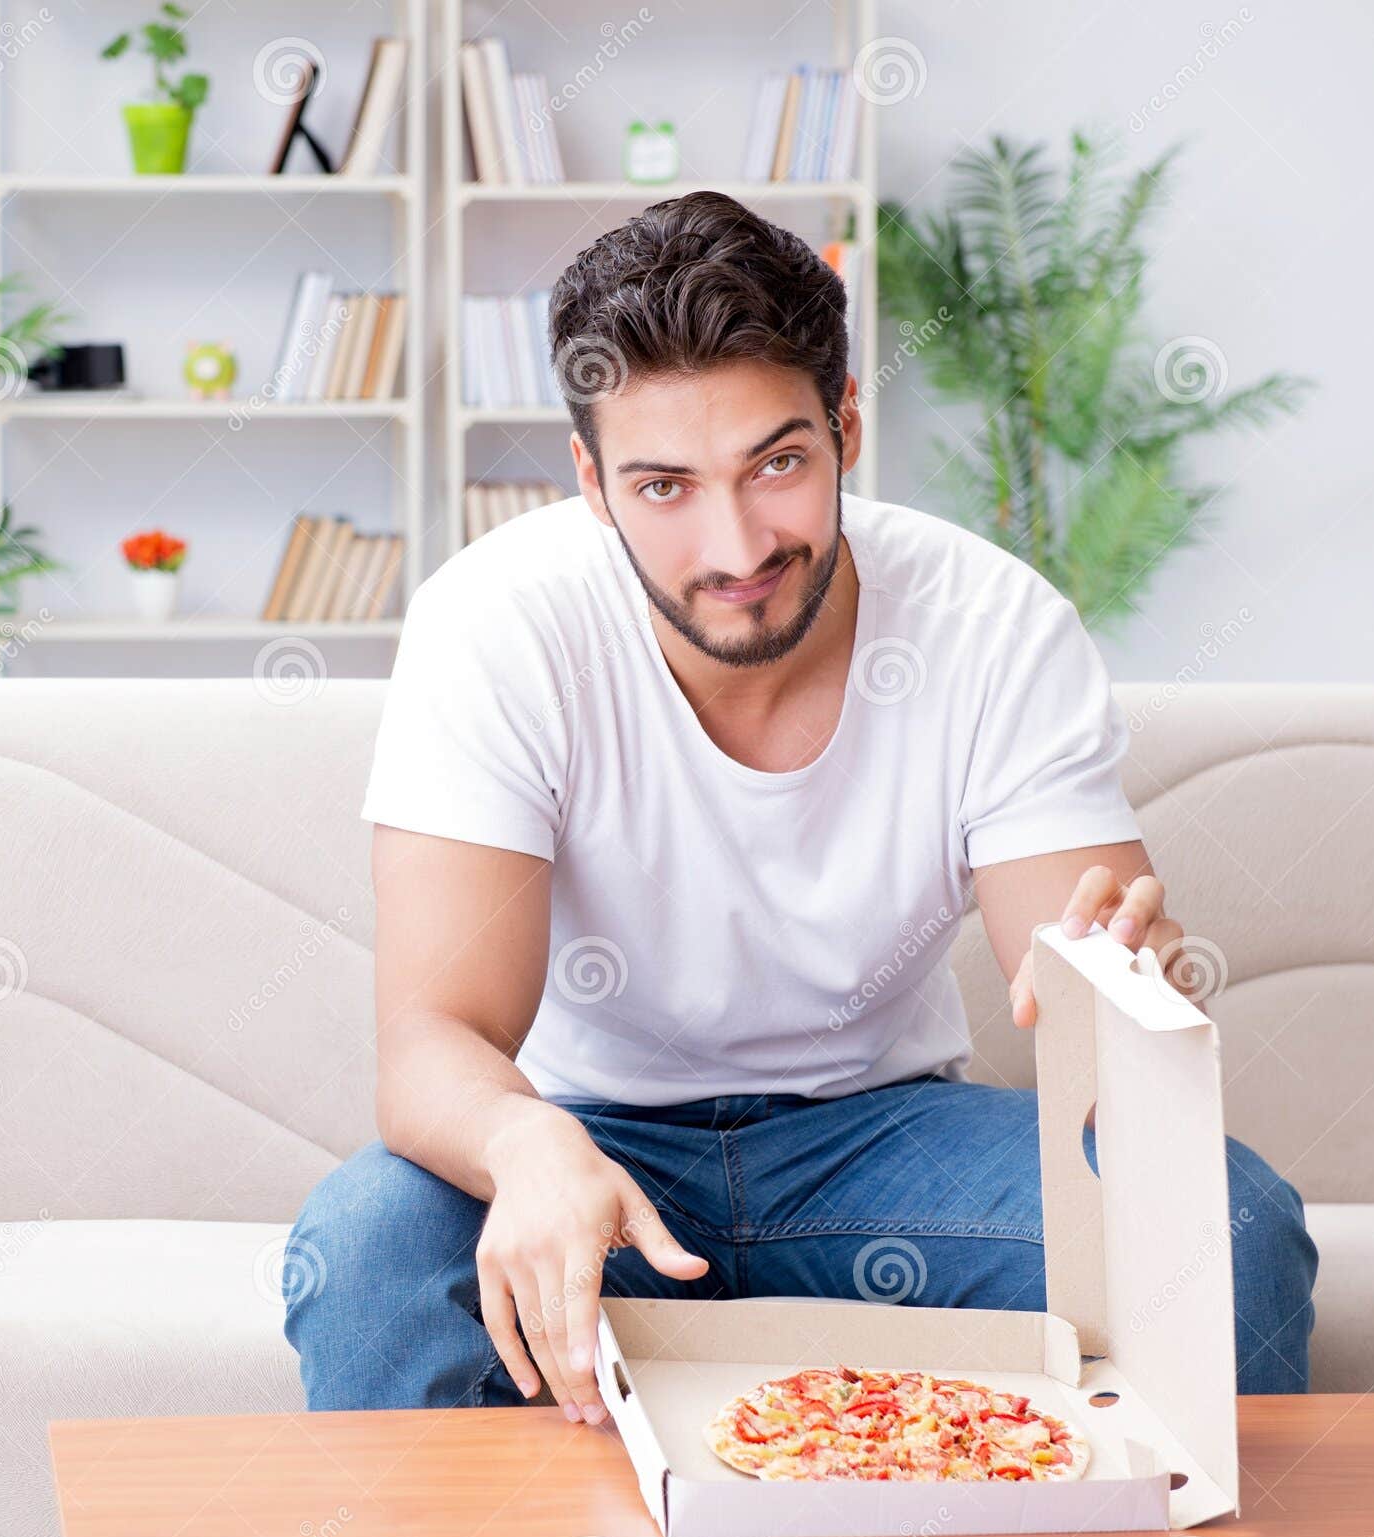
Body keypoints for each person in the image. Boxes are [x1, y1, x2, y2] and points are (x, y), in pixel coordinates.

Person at [284, 191, 1317, 1420]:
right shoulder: (497, 623)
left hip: (880, 1145)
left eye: (776, 465)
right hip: (590, 1142)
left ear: (846, 428)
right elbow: (429, 1044)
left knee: (1230, 1226)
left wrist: (1121, 997)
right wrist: (524, 1147)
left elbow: (1079, 994)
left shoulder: (991, 624)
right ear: (591, 481)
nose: (733, 546)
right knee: (365, 1250)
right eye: (663, 485)